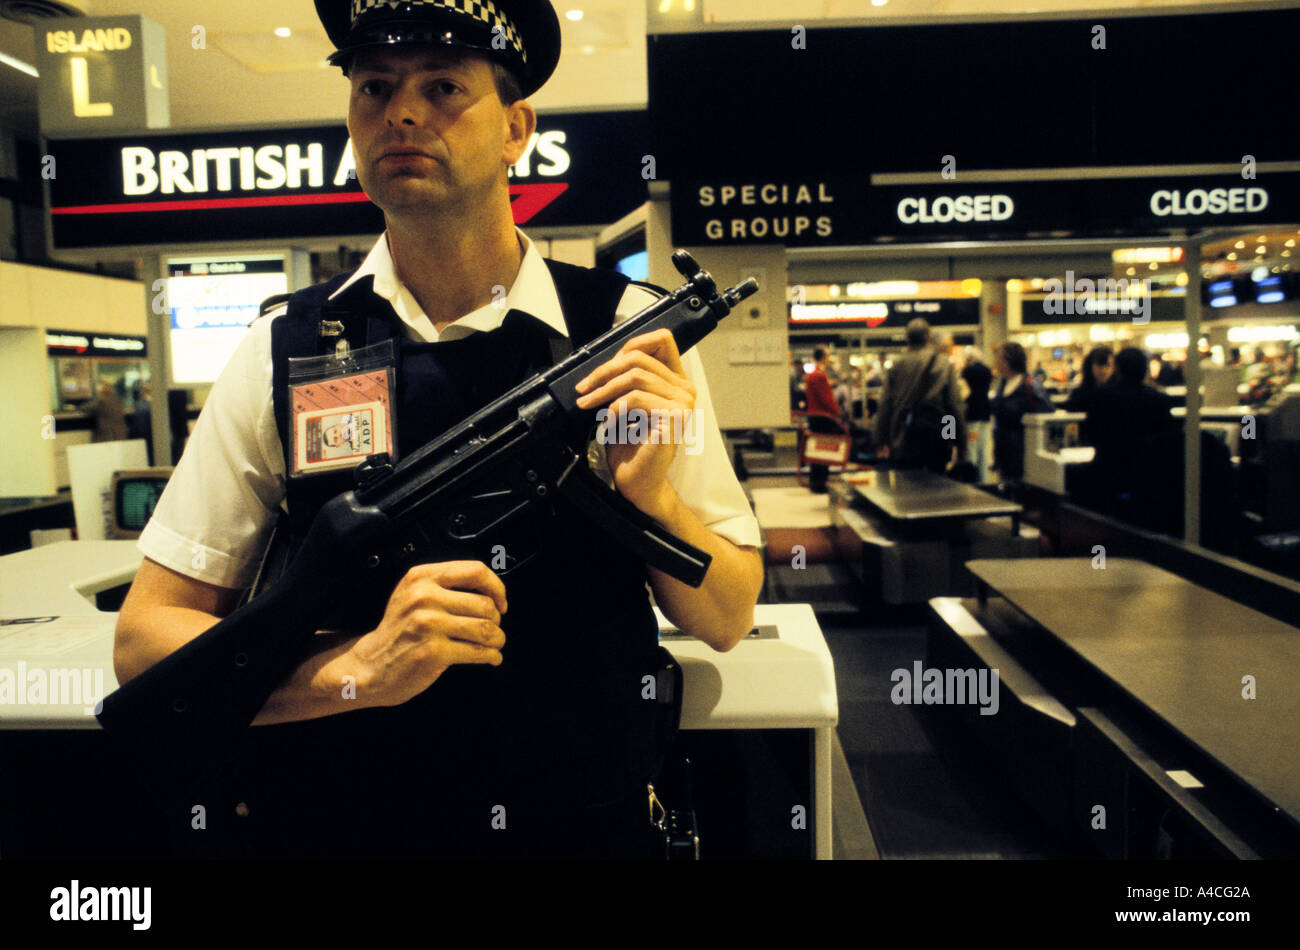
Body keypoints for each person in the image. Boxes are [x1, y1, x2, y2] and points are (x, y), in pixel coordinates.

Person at [113, 0, 763, 860]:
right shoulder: (286, 348)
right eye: (374, 87)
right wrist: (353, 672)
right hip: (340, 831)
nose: (403, 113)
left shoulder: (628, 334)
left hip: (586, 827)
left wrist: (649, 498)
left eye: (444, 86)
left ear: (516, 129)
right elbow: (147, 639)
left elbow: (725, 615)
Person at [1084, 346, 1175, 515]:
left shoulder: (1101, 396)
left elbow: (1091, 433)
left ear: (1117, 368)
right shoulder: (1159, 399)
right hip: (1147, 475)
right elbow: (1167, 436)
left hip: (1108, 472)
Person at [873, 318, 966, 473]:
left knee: (908, 485)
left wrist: (882, 440)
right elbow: (952, 406)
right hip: (938, 436)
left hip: (904, 436)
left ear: (907, 338)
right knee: (939, 485)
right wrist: (956, 440)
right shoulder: (943, 364)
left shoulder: (896, 365)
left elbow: (885, 404)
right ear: (929, 337)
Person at [989, 341, 1051, 485]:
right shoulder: (1002, 384)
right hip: (1004, 453)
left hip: (1024, 454)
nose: (995, 363)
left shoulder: (1030, 385)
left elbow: (1046, 414)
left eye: (998, 359)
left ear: (1007, 362)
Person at [802, 346, 843, 493]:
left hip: (814, 416)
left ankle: (816, 481)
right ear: (824, 357)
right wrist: (837, 412)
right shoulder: (819, 375)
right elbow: (826, 399)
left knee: (817, 451)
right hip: (823, 417)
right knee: (824, 451)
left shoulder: (811, 375)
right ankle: (820, 482)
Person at [960, 346, 994, 483]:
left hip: (971, 412)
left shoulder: (967, 371)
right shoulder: (987, 370)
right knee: (983, 447)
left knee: (971, 447)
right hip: (985, 411)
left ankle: (971, 480)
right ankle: (984, 479)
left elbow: (963, 393)